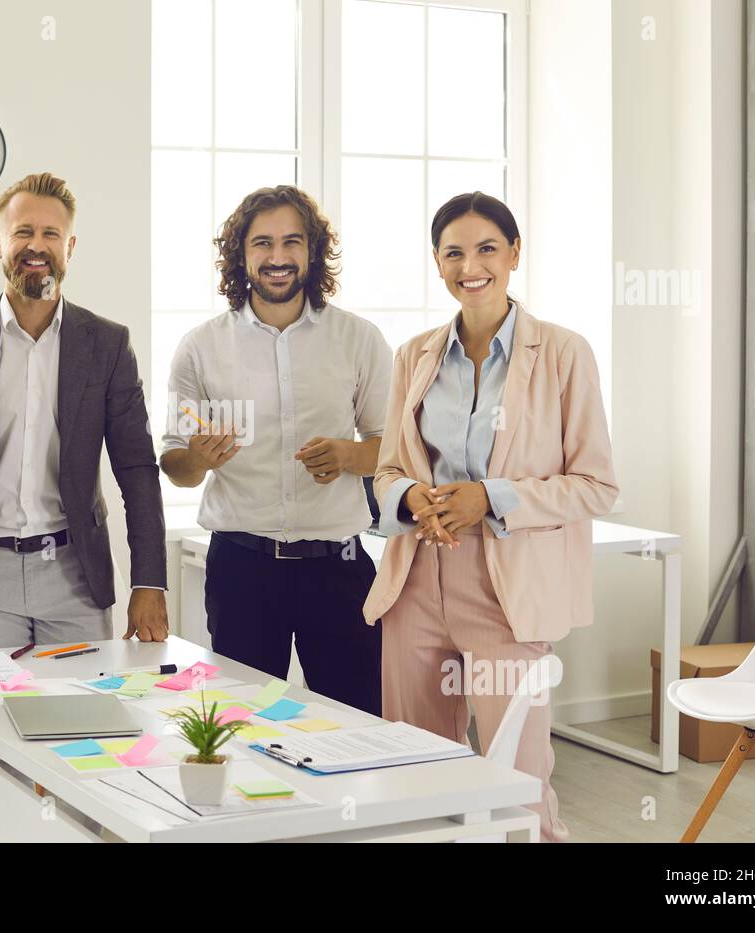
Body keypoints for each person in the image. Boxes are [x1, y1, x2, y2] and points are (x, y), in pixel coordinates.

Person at [365, 190, 619, 842]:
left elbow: (595, 485)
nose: (469, 265)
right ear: (436, 261)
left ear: (513, 254)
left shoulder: (563, 354)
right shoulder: (414, 355)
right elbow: (391, 469)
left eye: (485, 248)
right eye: (454, 252)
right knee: (416, 776)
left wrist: (492, 496)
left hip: (508, 592)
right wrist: (411, 498)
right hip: (417, 580)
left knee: (518, 784)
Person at [0, 172, 168, 649]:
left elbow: (137, 469)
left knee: (82, 717)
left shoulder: (107, 344)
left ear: (70, 246)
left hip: (74, 571)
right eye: (23, 232)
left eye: (50, 234)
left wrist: (150, 580)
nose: (36, 246)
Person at [161, 186, 391, 715]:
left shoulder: (359, 339)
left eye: (292, 241)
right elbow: (175, 465)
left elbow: (398, 450)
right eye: (262, 243)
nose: (278, 256)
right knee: (243, 725)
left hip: (339, 566)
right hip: (242, 569)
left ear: (312, 252)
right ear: (241, 255)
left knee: (355, 722)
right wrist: (198, 458)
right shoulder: (201, 346)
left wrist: (349, 457)